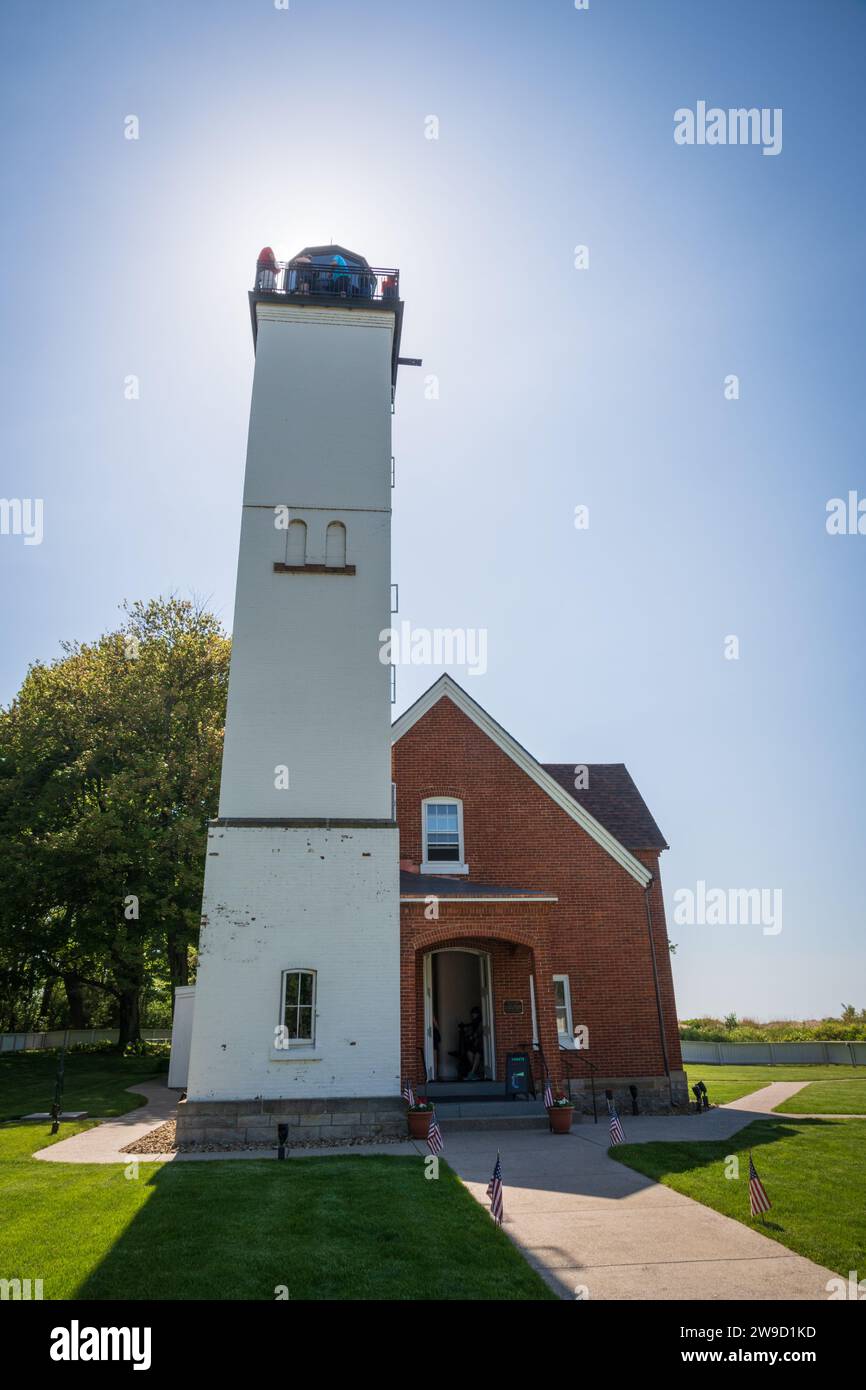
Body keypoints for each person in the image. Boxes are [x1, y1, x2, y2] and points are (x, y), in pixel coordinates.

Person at [464, 1006, 485, 1079]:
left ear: (477, 1014)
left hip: (481, 1044)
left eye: (474, 1013)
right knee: (469, 1053)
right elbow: (470, 1032)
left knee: (477, 1054)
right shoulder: (473, 1023)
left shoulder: (481, 1022)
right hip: (474, 1044)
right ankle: (476, 1072)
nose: (473, 1015)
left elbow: (479, 1032)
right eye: (472, 1013)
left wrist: (473, 1037)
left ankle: (472, 1073)